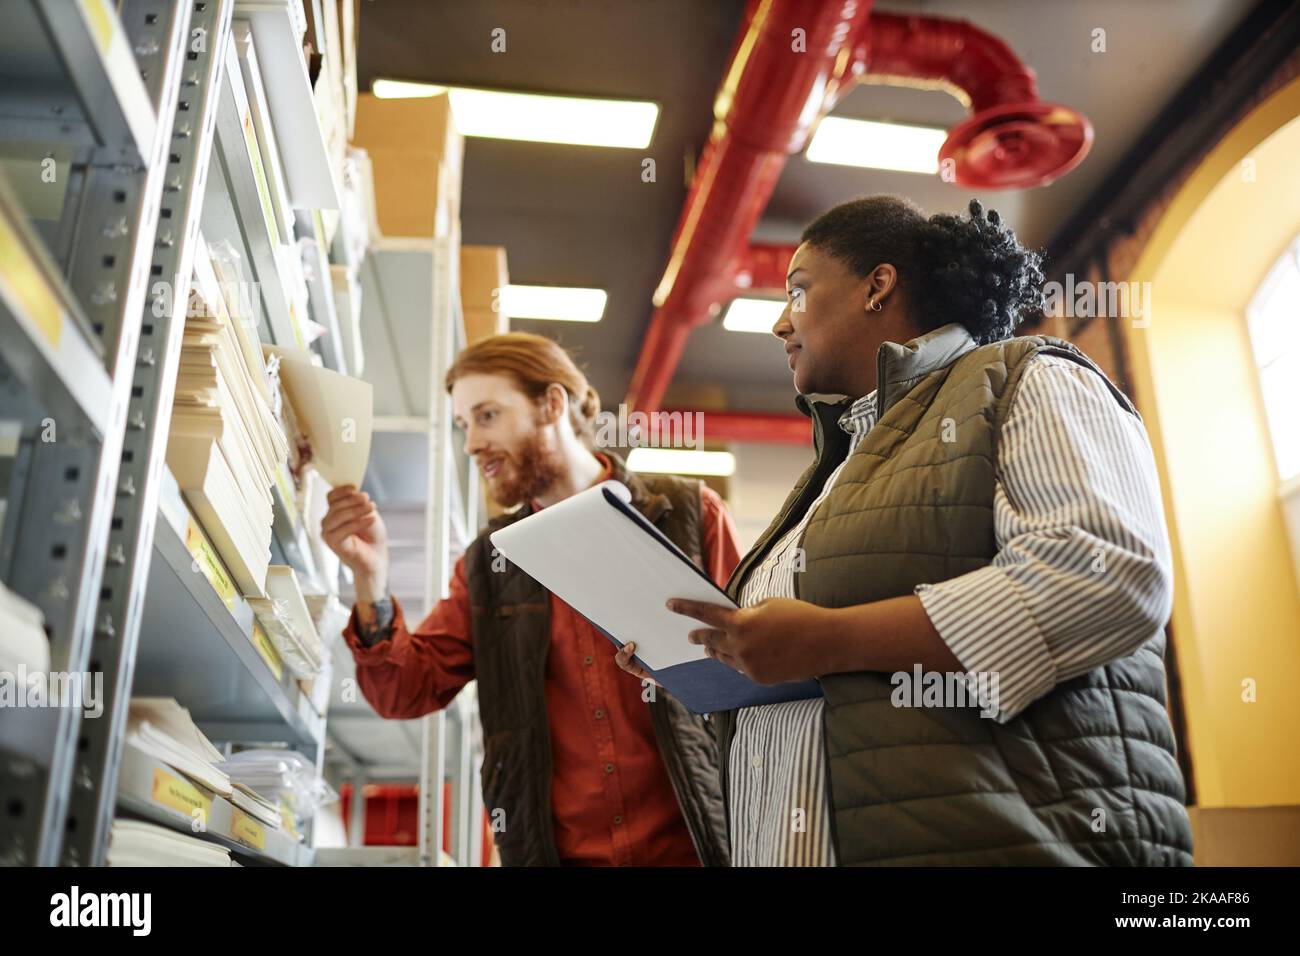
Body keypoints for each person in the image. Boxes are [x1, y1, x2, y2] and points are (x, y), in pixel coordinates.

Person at [618, 195, 1194, 866]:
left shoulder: (1027, 379)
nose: (780, 323)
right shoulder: (835, 473)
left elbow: (1107, 579)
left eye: (797, 292)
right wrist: (711, 664)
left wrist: (831, 640)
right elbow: (832, 687)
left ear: (877, 286)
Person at [324, 332, 738, 866]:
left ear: (552, 404)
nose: (472, 442)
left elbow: (754, 667)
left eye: (488, 415)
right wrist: (371, 580)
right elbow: (404, 691)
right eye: (463, 425)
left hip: (697, 848)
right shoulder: (490, 563)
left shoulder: (689, 515)